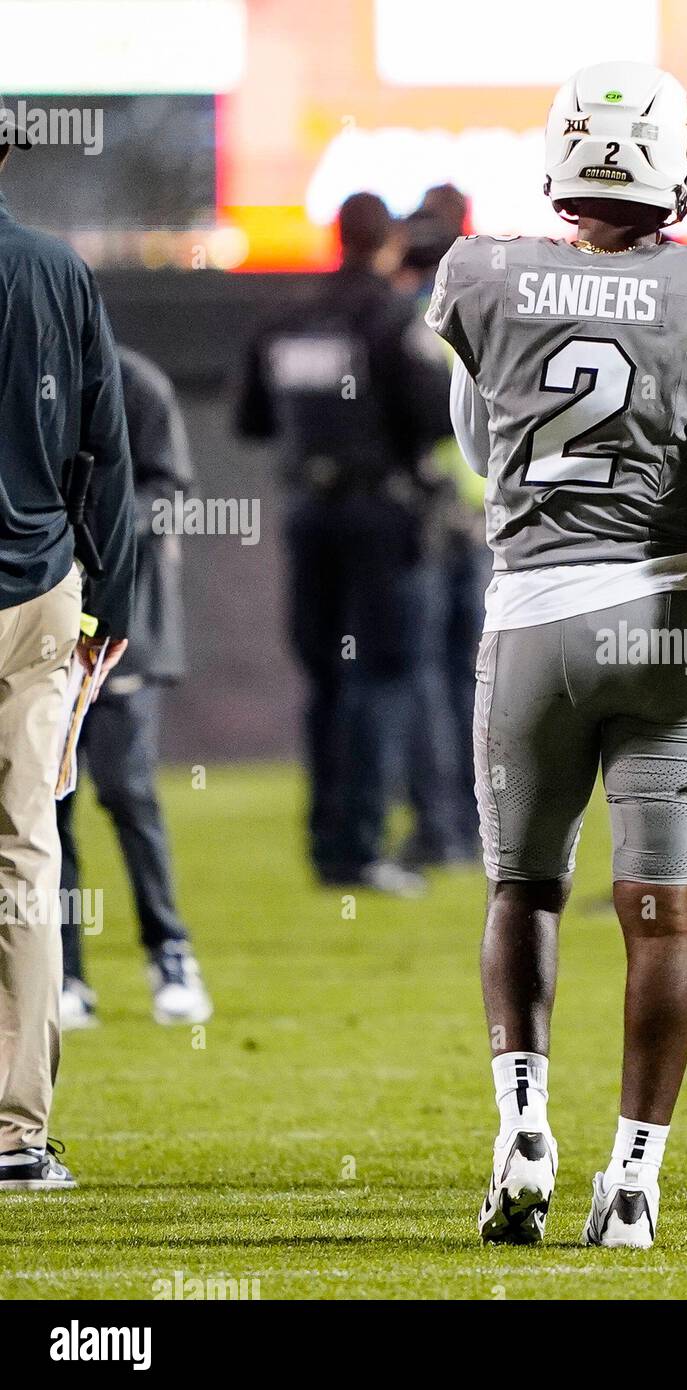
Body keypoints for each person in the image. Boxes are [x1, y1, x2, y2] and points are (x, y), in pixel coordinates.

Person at [428, 61, 687, 1248]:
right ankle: (631, 1183)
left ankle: (521, 1120)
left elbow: (481, 443)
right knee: (664, 917)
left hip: (531, 620)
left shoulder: (479, 272)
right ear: (675, 166)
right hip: (674, 624)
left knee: (522, 888)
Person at [236, 193, 454, 896]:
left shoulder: (288, 320)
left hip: (308, 513)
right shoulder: (393, 319)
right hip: (380, 516)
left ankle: (327, 848)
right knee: (382, 676)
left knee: (326, 679)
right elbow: (438, 415)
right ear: (388, 243)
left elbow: (252, 419)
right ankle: (362, 849)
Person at [0, 102, 135, 1191]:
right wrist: (119, 592)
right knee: (23, 859)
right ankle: (15, 1132)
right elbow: (107, 441)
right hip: (37, 593)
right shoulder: (57, 272)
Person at [59, 347, 212, 1031]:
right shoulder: (25, 375)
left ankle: (170, 952)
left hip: (124, 618)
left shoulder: (136, 384)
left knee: (126, 789)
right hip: (40, 622)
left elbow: (172, 493)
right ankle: (63, 973)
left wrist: (90, 534)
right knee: (43, 806)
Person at [391, 187, 486, 867]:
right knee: (475, 681)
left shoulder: (411, 321)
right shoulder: (493, 311)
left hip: (431, 513)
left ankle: (439, 826)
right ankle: (480, 823)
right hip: (489, 515)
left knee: (425, 675)